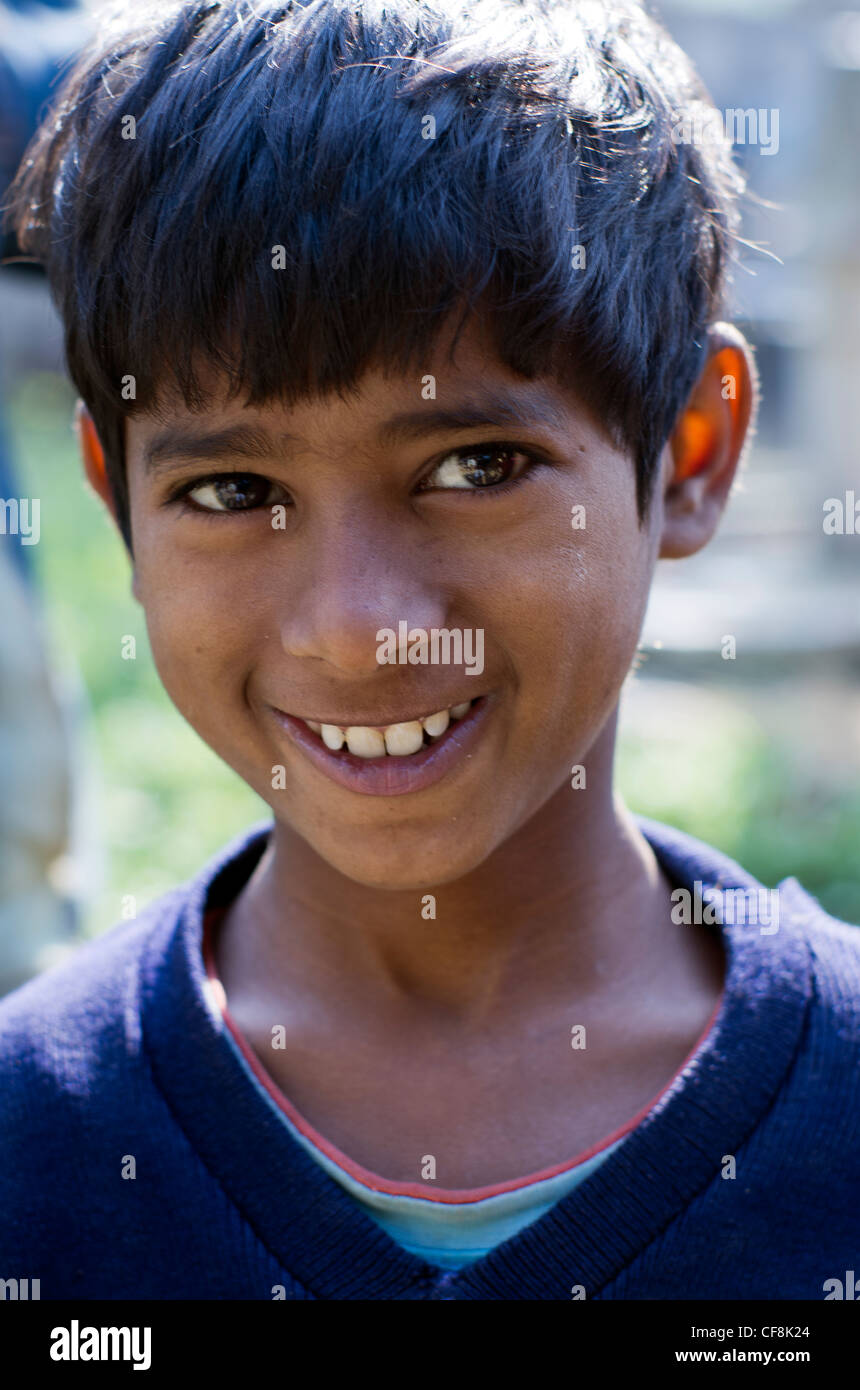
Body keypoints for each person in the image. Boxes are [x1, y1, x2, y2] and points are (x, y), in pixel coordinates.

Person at [0, 0, 857, 1300]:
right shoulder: (33, 1144)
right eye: (232, 491)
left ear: (691, 453)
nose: (355, 627)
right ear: (115, 494)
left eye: (477, 465)